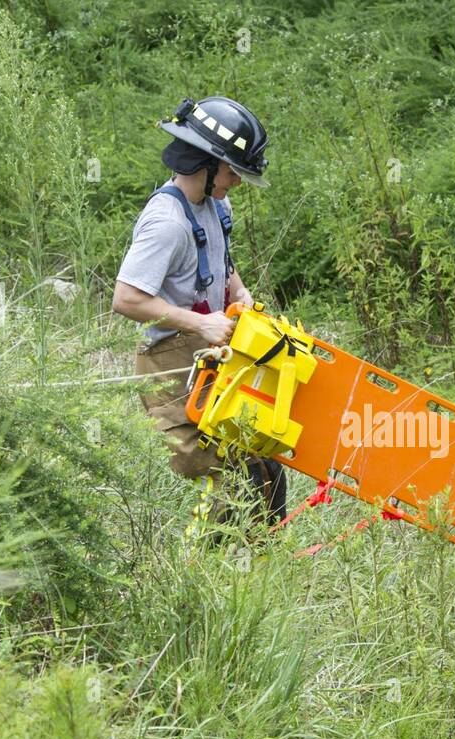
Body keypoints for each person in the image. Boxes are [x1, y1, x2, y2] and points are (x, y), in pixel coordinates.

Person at [112, 96, 287, 533]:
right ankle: (203, 575)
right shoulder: (166, 222)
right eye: (232, 172)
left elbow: (223, 263)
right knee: (224, 477)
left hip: (211, 355)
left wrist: (239, 289)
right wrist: (202, 323)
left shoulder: (216, 206)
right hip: (169, 364)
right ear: (204, 164)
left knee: (265, 467)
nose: (237, 183)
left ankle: (261, 566)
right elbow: (127, 299)